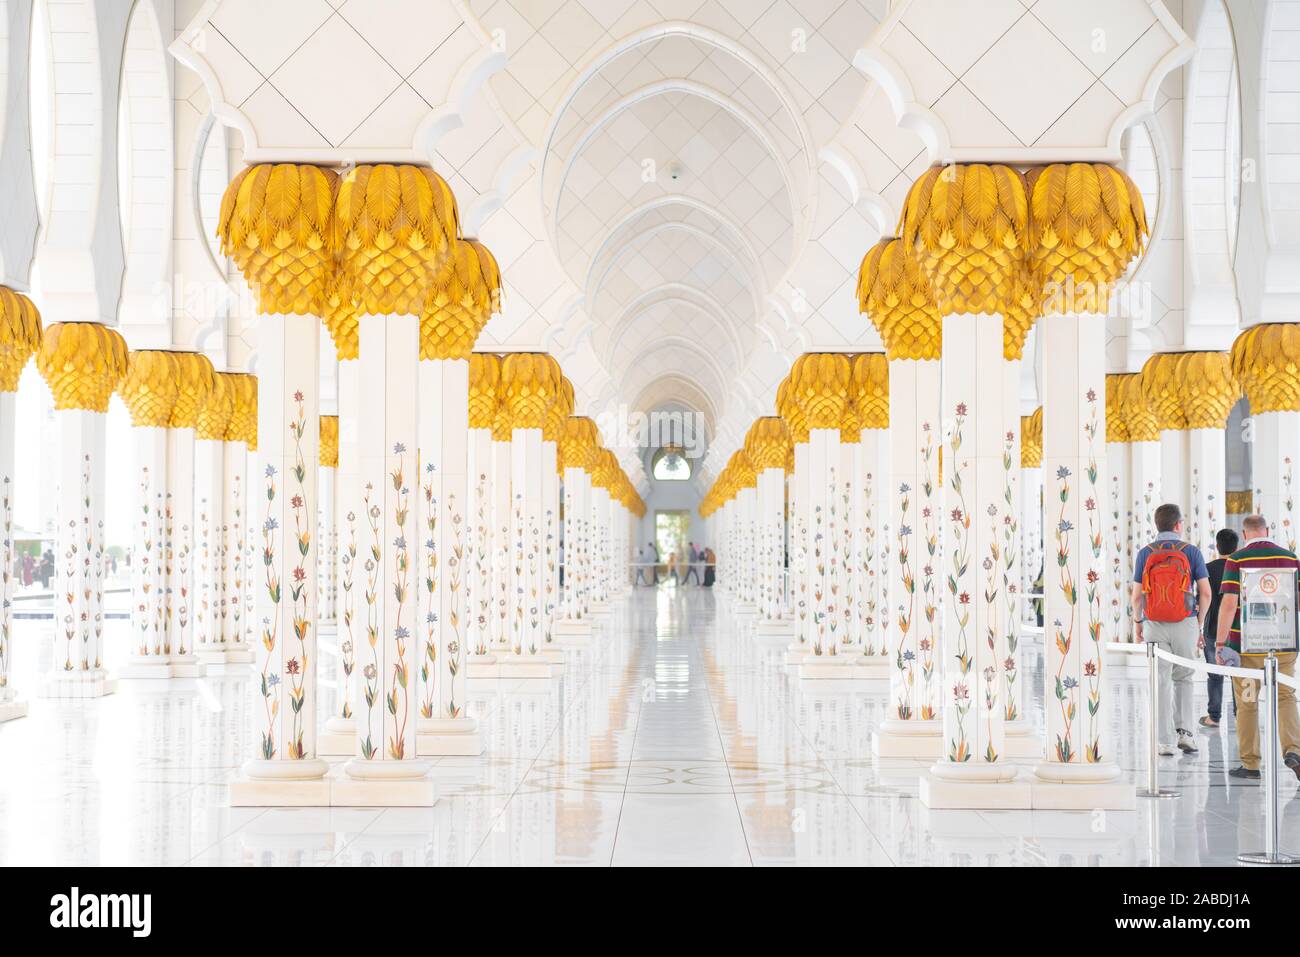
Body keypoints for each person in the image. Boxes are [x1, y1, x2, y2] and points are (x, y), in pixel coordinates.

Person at [1213, 514, 1300, 781]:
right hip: (1284, 643)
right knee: (1285, 697)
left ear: (1245, 533)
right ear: (1268, 529)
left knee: (1248, 702)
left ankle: (1251, 764)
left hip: (1247, 647)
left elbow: (1229, 604)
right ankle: (1294, 751)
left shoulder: (1236, 560)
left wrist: (1220, 643)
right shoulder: (1290, 559)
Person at [1131, 503, 1211, 756]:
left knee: (1160, 679)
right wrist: (1198, 624)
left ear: (1157, 525)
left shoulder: (1145, 553)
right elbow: (1206, 593)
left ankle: (1164, 741)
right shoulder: (1192, 552)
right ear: (1178, 525)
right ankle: (1185, 734)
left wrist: (1137, 622)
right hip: (1185, 621)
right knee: (1184, 678)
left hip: (1154, 623)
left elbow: (1136, 596)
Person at [1199, 528, 1238, 729]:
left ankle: (1214, 717)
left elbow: (1202, 599)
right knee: (1238, 676)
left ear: (1217, 545)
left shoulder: (1207, 568)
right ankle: (1239, 714)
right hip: (1236, 632)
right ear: (1237, 547)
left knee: (1214, 674)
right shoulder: (1239, 568)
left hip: (1212, 630)